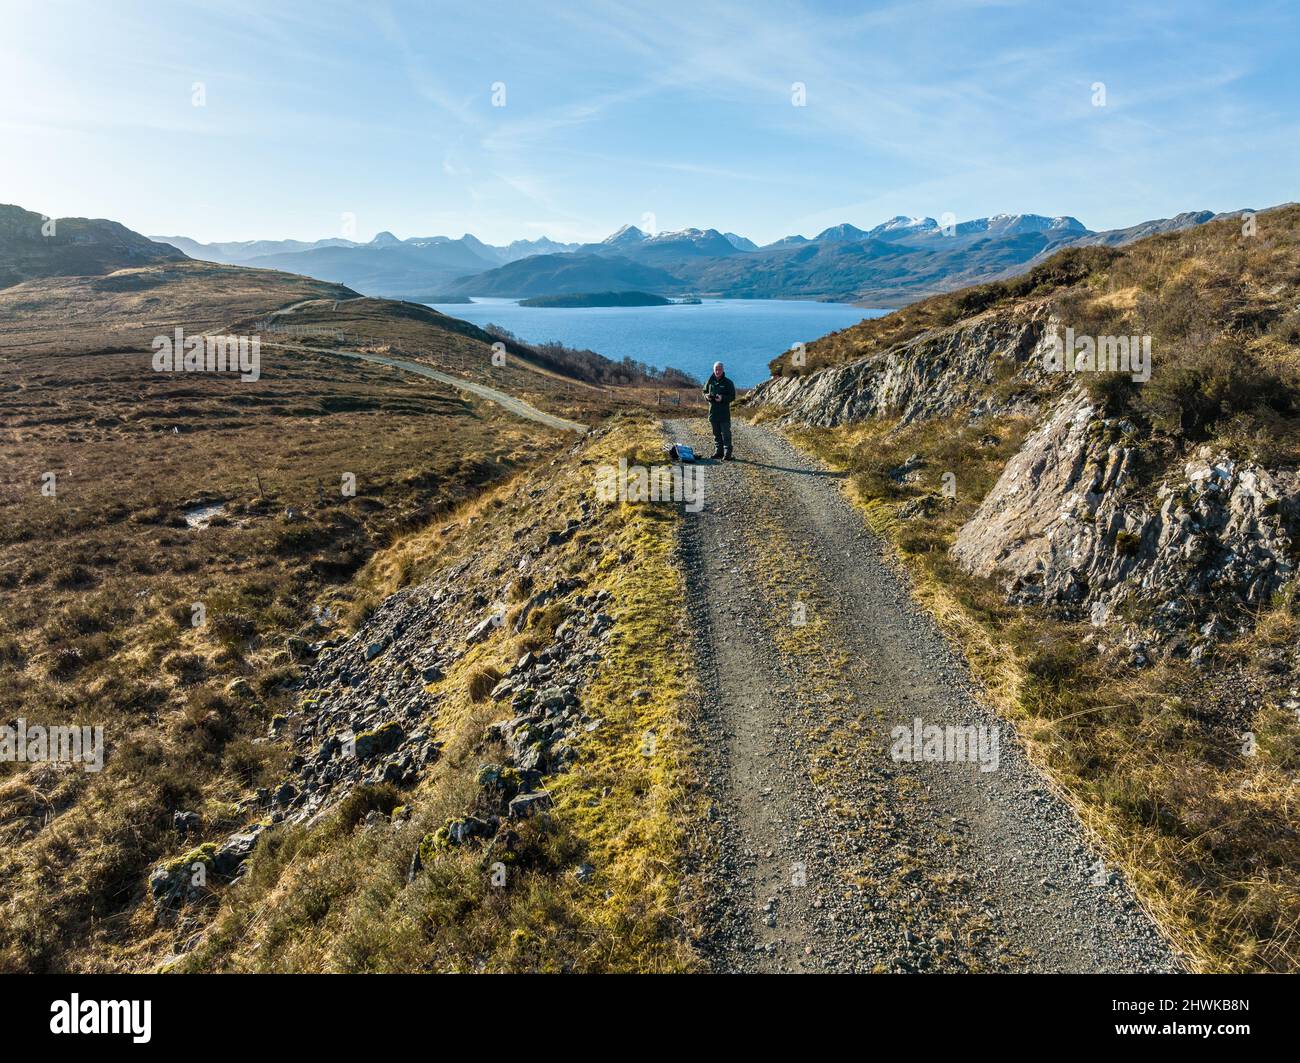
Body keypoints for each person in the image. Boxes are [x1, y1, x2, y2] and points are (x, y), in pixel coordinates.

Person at [703, 360, 736, 460]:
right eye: (716, 369)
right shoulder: (710, 380)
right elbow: (704, 391)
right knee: (716, 434)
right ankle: (719, 452)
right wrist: (706, 396)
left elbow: (732, 396)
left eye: (719, 369)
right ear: (713, 370)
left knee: (726, 434)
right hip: (713, 412)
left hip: (724, 413)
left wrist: (722, 398)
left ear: (723, 370)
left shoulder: (728, 382)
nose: (718, 371)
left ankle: (727, 453)